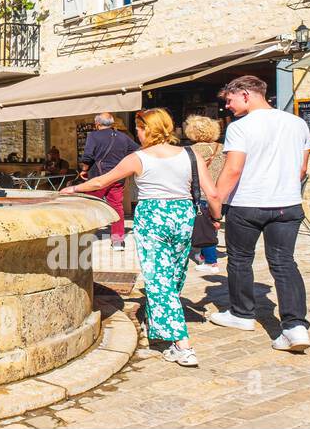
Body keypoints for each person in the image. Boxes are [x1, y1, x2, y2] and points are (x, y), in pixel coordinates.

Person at [62, 108, 219, 367]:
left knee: (158, 279)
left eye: (139, 129)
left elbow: (102, 181)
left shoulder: (139, 158)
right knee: (173, 276)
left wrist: (75, 188)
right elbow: (212, 194)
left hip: (153, 216)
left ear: (148, 129)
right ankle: (159, 324)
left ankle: (182, 345)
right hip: (183, 216)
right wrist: (215, 218)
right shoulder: (191, 155)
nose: (138, 133)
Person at [207, 75, 310, 353]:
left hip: (247, 204)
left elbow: (233, 169)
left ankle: (242, 314)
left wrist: (215, 201)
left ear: (245, 94)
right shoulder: (297, 123)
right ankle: (295, 326)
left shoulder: (240, 127)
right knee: (284, 262)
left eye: (229, 101)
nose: (227, 107)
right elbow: (302, 169)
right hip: (287, 204)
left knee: (240, 260)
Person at [79, 112, 138, 251]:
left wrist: (84, 169)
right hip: (117, 177)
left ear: (97, 124)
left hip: (98, 177)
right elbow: (137, 150)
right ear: (112, 123)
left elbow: (87, 155)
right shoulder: (123, 137)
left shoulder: (93, 136)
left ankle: (86, 237)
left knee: (90, 205)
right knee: (117, 207)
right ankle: (118, 241)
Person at [184, 114, 225, 274]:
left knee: (204, 226)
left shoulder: (190, 151)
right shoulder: (222, 148)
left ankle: (211, 261)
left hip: (200, 193)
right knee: (211, 225)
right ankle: (204, 254)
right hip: (220, 193)